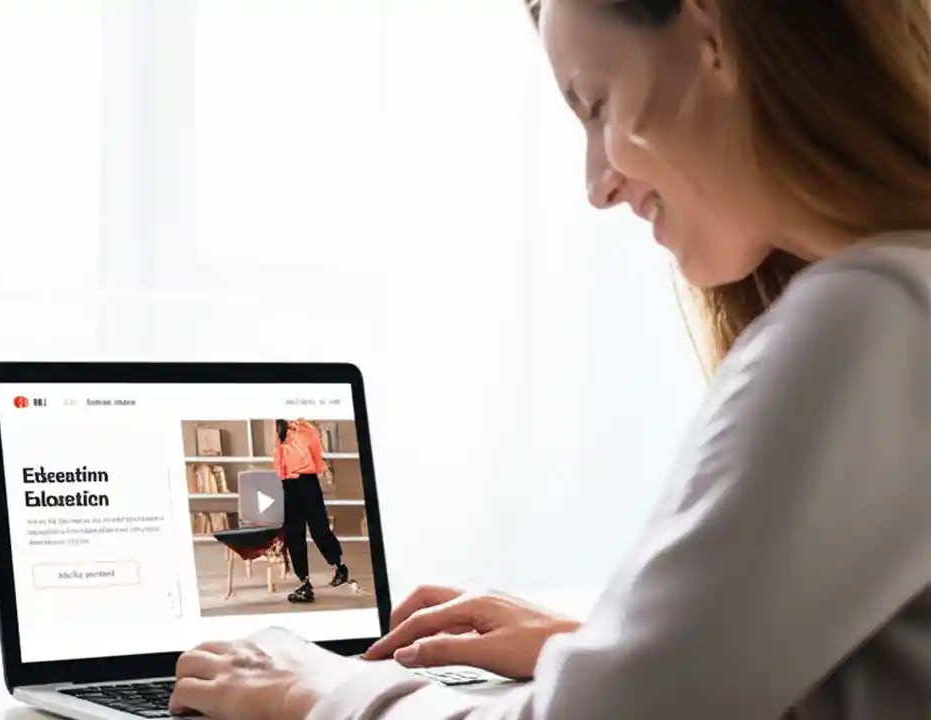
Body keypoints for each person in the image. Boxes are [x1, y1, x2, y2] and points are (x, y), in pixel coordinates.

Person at [171, 0, 931, 717]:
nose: (598, 185)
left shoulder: (879, 317)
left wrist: (322, 688)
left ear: (709, 33)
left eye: (597, 104)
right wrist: (612, 654)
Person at [273, 418, 349, 603]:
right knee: (294, 533)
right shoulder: (280, 430)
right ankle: (304, 583)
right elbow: (279, 461)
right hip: (287, 484)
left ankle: (339, 566)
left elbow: (316, 458)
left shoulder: (308, 430)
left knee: (319, 528)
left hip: (307, 481)